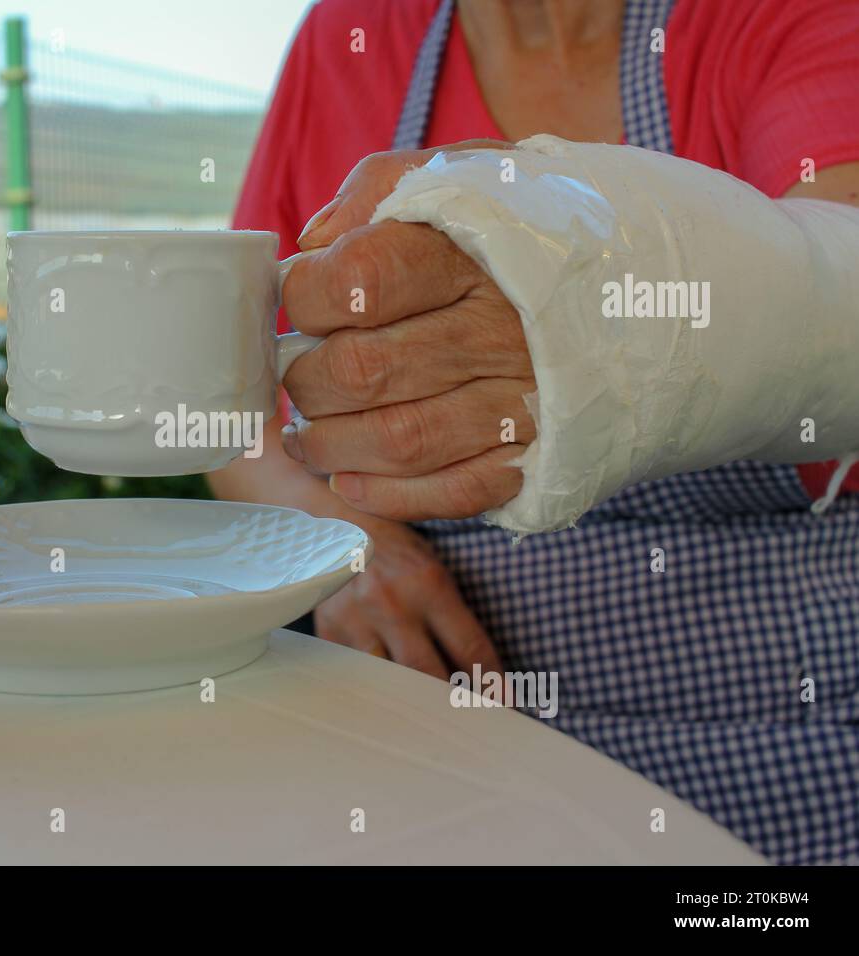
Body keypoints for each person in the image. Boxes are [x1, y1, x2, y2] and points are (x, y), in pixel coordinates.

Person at [215, 0, 859, 864]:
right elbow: (234, 413)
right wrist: (338, 544)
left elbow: (843, 301)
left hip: (779, 739)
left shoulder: (777, 15)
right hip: (434, 719)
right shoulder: (348, 36)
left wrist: (586, 289)